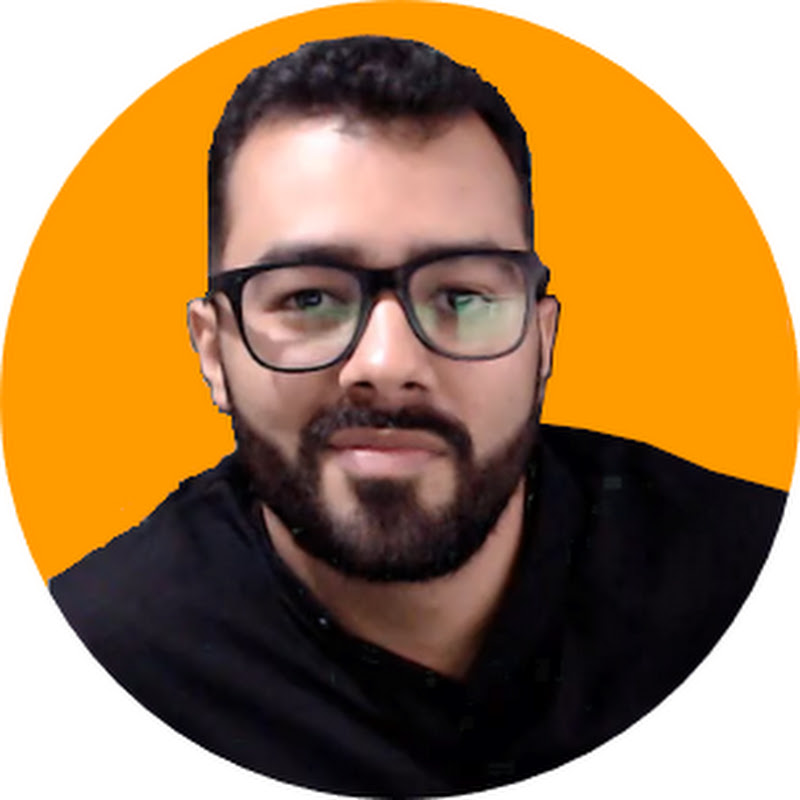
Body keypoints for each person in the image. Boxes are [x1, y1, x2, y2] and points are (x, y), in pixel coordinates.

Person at [50, 36, 786, 796]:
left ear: (542, 341)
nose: (386, 362)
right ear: (213, 351)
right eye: (308, 297)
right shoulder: (80, 675)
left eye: (462, 295)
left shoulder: (757, 582)